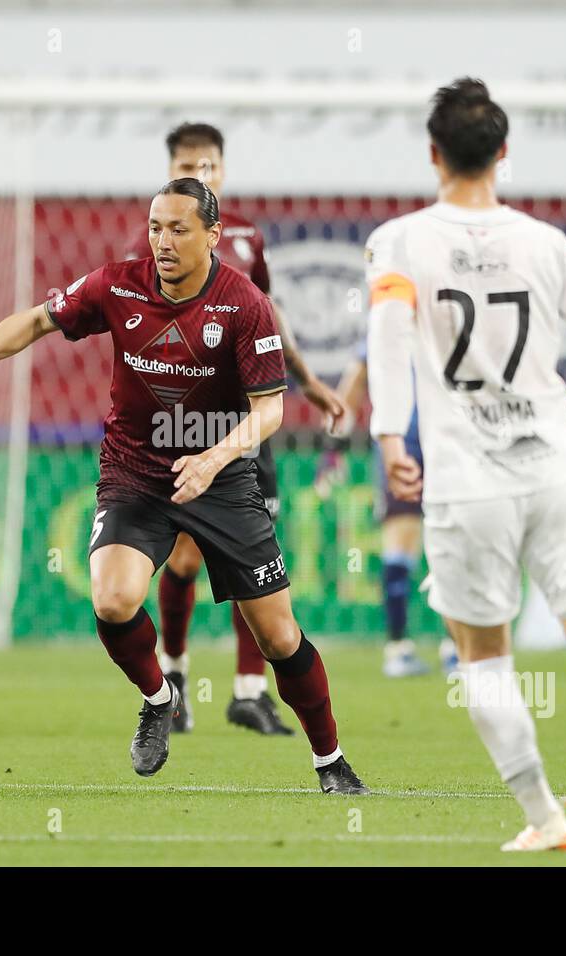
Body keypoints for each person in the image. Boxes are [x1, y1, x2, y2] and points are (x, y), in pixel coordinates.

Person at [0, 178, 368, 794]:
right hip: (136, 475)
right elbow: (35, 323)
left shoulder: (244, 303)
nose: (163, 241)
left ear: (212, 234)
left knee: (280, 637)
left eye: (178, 229)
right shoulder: (116, 285)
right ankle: (159, 697)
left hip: (224, 480)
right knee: (114, 601)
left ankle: (329, 760)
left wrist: (213, 457)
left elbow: (270, 410)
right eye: (155, 228)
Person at [367, 78, 566, 849]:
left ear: (434, 154)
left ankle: (545, 817)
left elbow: (388, 343)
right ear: (503, 153)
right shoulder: (545, 244)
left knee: (481, 656)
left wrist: (388, 437)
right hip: (555, 464)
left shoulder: (401, 242)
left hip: (468, 478)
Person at [131, 123, 346, 735]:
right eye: (185, 164)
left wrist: (305, 381)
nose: (200, 174)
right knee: (184, 552)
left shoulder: (248, 241)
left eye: (209, 165)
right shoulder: (154, 249)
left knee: (255, 546)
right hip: (181, 420)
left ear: (223, 171)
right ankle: (172, 679)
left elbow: (269, 321)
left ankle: (249, 691)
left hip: (247, 416)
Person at [324, 343, 435, 677]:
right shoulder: (394, 309)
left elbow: (356, 376)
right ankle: (408, 648)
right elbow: (357, 376)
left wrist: (335, 445)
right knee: (413, 544)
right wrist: (335, 445)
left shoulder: (391, 308)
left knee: (443, 542)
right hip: (407, 442)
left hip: (420, 440)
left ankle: (427, 648)